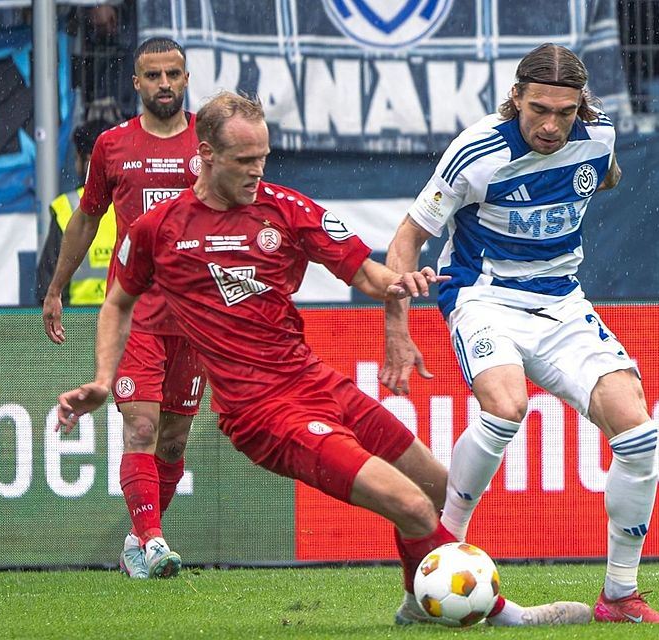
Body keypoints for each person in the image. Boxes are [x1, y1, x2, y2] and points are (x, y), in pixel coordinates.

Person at [55, 91, 591, 627]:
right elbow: (118, 301)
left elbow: (364, 272)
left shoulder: (287, 208)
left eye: (263, 157)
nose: (256, 170)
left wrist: (397, 282)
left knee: (437, 486)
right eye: (244, 160)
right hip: (261, 414)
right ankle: (500, 614)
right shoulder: (160, 228)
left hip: (315, 382)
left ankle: (416, 604)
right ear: (207, 154)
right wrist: (105, 378)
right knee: (408, 504)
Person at [382, 43, 659, 624]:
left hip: (563, 304)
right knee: (505, 408)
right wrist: (398, 324)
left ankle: (619, 597)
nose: (549, 124)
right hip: (484, 297)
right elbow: (406, 239)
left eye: (564, 113)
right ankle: (443, 545)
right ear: (515, 96)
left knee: (640, 435)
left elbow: (604, 174)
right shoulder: (476, 151)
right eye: (537, 108)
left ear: (581, 107)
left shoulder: (600, 140)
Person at [43, 37, 205, 580]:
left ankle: (137, 540)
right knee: (140, 429)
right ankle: (155, 541)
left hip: (196, 316)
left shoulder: (211, 145)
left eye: (174, 74)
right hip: (134, 310)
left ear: (186, 78)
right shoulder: (114, 146)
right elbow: (86, 220)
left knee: (175, 438)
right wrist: (57, 287)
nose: (164, 84)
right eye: (153, 75)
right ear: (135, 83)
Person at [36, 121, 118, 306]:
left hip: (75, 322)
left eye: (76, 158)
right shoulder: (134, 202)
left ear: (89, 159)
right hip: (126, 321)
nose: (75, 164)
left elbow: (47, 284)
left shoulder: (67, 206)